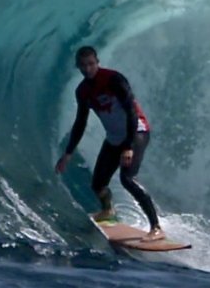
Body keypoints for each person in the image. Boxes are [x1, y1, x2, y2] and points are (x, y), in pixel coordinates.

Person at [54, 45, 164, 241]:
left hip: (136, 132)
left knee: (127, 179)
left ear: (97, 63)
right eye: (83, 65)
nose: (87, 69)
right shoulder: (83, 91)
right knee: (97, 184)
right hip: (114, 137)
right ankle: (107, 211)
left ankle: (156, 227)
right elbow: (81, 122)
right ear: (78, 67)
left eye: (91, 64)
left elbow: (131, 110)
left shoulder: (114, 80)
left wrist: (128, 146)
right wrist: (68, 153)